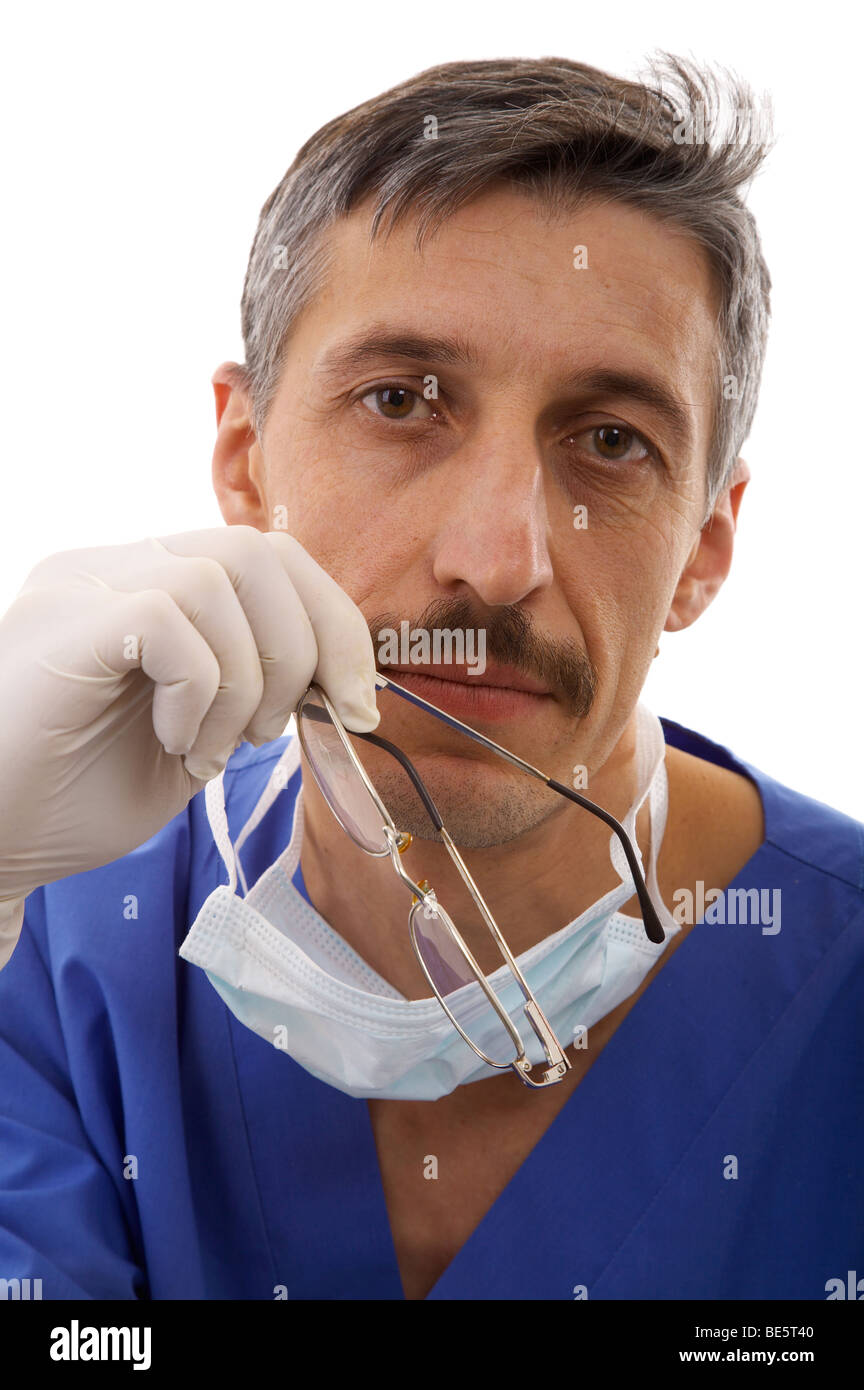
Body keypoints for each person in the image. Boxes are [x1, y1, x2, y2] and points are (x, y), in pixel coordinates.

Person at [0, 53, 861, 1303]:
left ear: (704, 550)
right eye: (401, 401)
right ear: (245, 462)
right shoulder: (51, 938)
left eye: (610, 441)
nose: (493, 563)